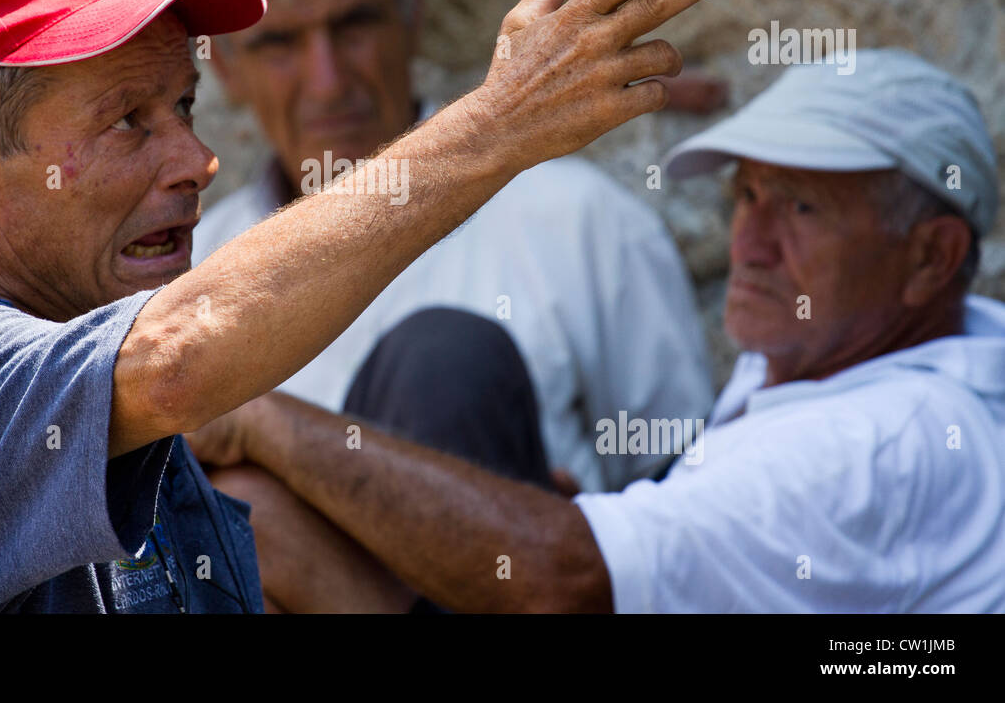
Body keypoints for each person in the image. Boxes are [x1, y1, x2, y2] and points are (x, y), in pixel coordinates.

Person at [0, 0, 732, 612]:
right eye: (127, 123)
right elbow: (181, 356)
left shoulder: (134, 434)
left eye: (183, 108)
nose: (195, 161)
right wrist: (499, 125)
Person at [189, 49, 1005, 612]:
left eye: (802, 208)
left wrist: (264, 418)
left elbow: (561, 584)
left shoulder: (876, 440)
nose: (751, 244)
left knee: (270, 514)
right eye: (748, 197)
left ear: (933, 258)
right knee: (442, 370)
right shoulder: (847, 358)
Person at [172, 0, 714, 499]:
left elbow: (686, 510)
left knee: (447, 363)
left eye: (353, 25)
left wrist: (587, 530)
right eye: (279, 44)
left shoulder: (579, 224)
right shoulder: (193, 271)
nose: (327, 80)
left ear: (411, 12)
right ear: (224, 66)